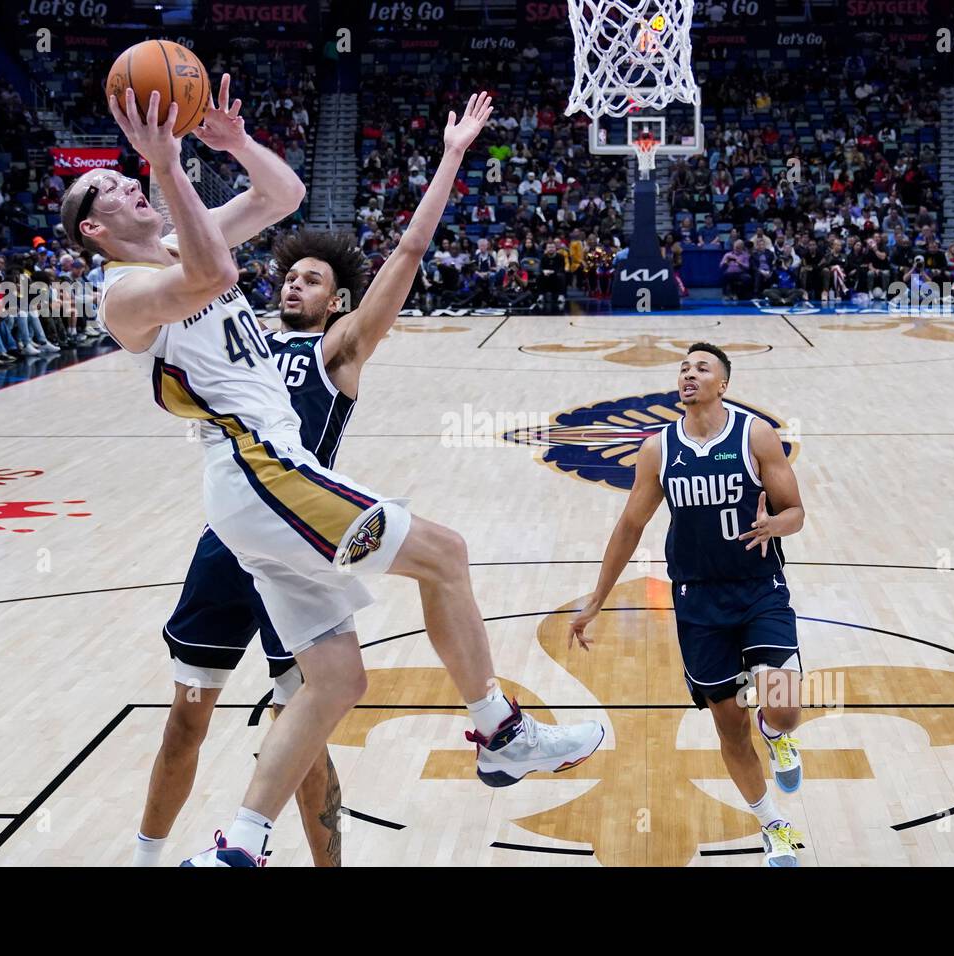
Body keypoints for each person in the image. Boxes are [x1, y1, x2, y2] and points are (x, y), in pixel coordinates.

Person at [78, 81, 601, 868]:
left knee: (334, 679)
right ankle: (501, 731)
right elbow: (214, 274)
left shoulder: (229, 279)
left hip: (263, 495)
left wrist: (230, 144)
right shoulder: (125, 293)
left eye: (129, 176)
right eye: (112, 189)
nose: (129, 184)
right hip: (264, 475)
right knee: (446, 553)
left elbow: (281, 195)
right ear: (95, 229)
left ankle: (240, 847)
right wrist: (167, 164)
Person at [569, 344, 807, 866]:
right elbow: (631, 526)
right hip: (696, 599)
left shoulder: (756, 435)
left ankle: (777, 733)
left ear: (723, 383)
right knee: (728, 724)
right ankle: (774, 824)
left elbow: (795, 512)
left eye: (702, 368)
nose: (688, 374)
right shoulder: (658, 449)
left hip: (759, 587)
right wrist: (596, 599)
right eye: (683, 368)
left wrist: (775, 524)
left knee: (784, 707)